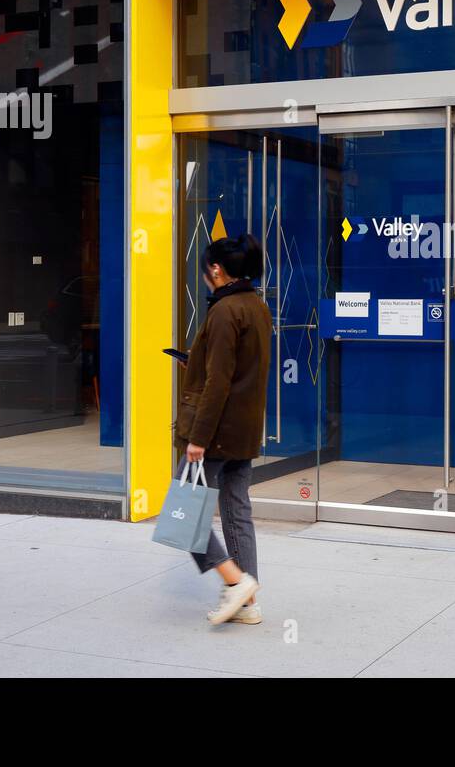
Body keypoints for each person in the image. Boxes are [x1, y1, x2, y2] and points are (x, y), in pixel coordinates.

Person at [174, 234, 271, 625]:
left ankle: (236, 582)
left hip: (214, 432)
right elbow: (240, 370)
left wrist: (198, 438)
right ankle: (248, 606)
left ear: (216, 269)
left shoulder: (224, 311)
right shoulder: (256, 306)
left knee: (181, 514)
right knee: (236, 511)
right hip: (244, 430)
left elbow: (218, 382)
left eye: (205, 269)